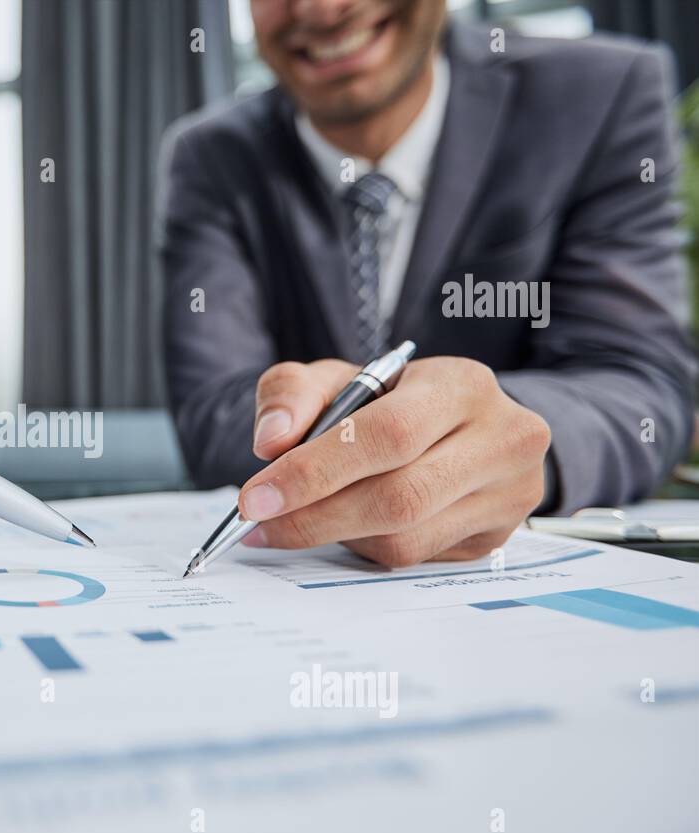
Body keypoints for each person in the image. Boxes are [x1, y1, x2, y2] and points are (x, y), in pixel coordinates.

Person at [160, 0, 696, 568]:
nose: (321, 9)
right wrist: (333, 434)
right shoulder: (210, 157)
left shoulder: (599, 95)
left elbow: (640, 385)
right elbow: (212, 414)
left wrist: (505, 444)